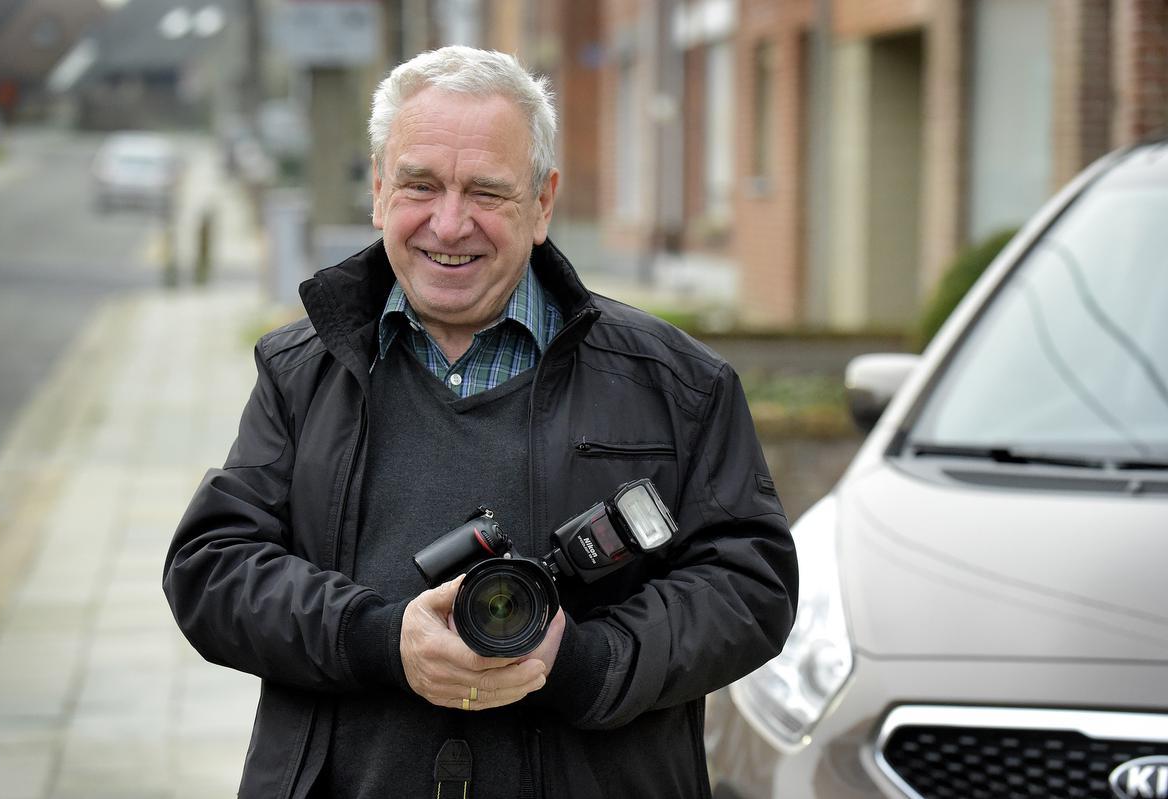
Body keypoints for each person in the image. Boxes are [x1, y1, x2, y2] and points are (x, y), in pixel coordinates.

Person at [163, 45, 797, 799]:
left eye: (486, 192)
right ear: (377, 190)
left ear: (543, 202)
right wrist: (378, 639)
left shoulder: (677, 383)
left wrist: (587, 662)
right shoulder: (301, 370)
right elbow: (212, 569)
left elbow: (750, 583)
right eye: (420, 185)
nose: (449, 222)